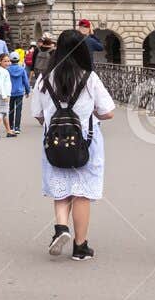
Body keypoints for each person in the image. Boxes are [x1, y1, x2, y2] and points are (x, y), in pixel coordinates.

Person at [33, 29, 117, 260]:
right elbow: (108, 112)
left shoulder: (44, 78)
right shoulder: (89, 78)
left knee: (61, 189)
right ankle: (80, 247)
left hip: (54, 141)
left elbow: (38, 114)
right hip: (86, 142)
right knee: (81, 193)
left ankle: (61, 227)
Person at [6, 49, 30, 137]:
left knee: (10, 109)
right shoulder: (22, 69)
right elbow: (26, 81)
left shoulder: (7, 70)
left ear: (10, 59)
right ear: (19, 59)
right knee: (18, 110)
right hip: (19, 92)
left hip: (10, 92)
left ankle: (11, 126)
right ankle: (17, 127)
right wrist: (27, 91)